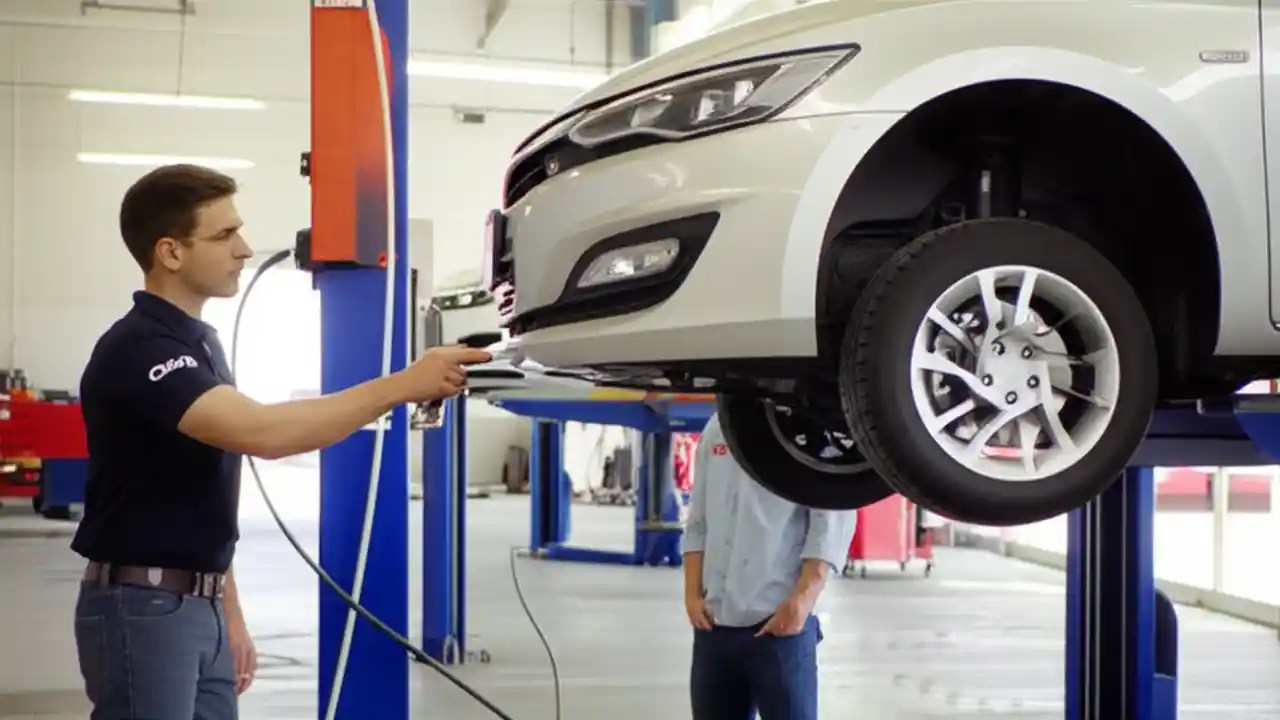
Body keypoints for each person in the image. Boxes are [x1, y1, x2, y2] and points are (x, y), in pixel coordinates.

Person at [68, 163, 490, 720]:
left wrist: (227, 610)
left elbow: (196, 496)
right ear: (170, 252)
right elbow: (263, 433)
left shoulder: (198, 344)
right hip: (142, 608)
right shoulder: (140, 348)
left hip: (196, 603)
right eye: (224, 235)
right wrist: (404, 385)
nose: (243, 249)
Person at [681, 412, 858, 720]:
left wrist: (801, 602)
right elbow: (698, 520)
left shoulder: (808, 426)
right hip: (713, 627)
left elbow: (830, 521)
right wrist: (691, 595)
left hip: (778, 628)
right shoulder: (717, 427)